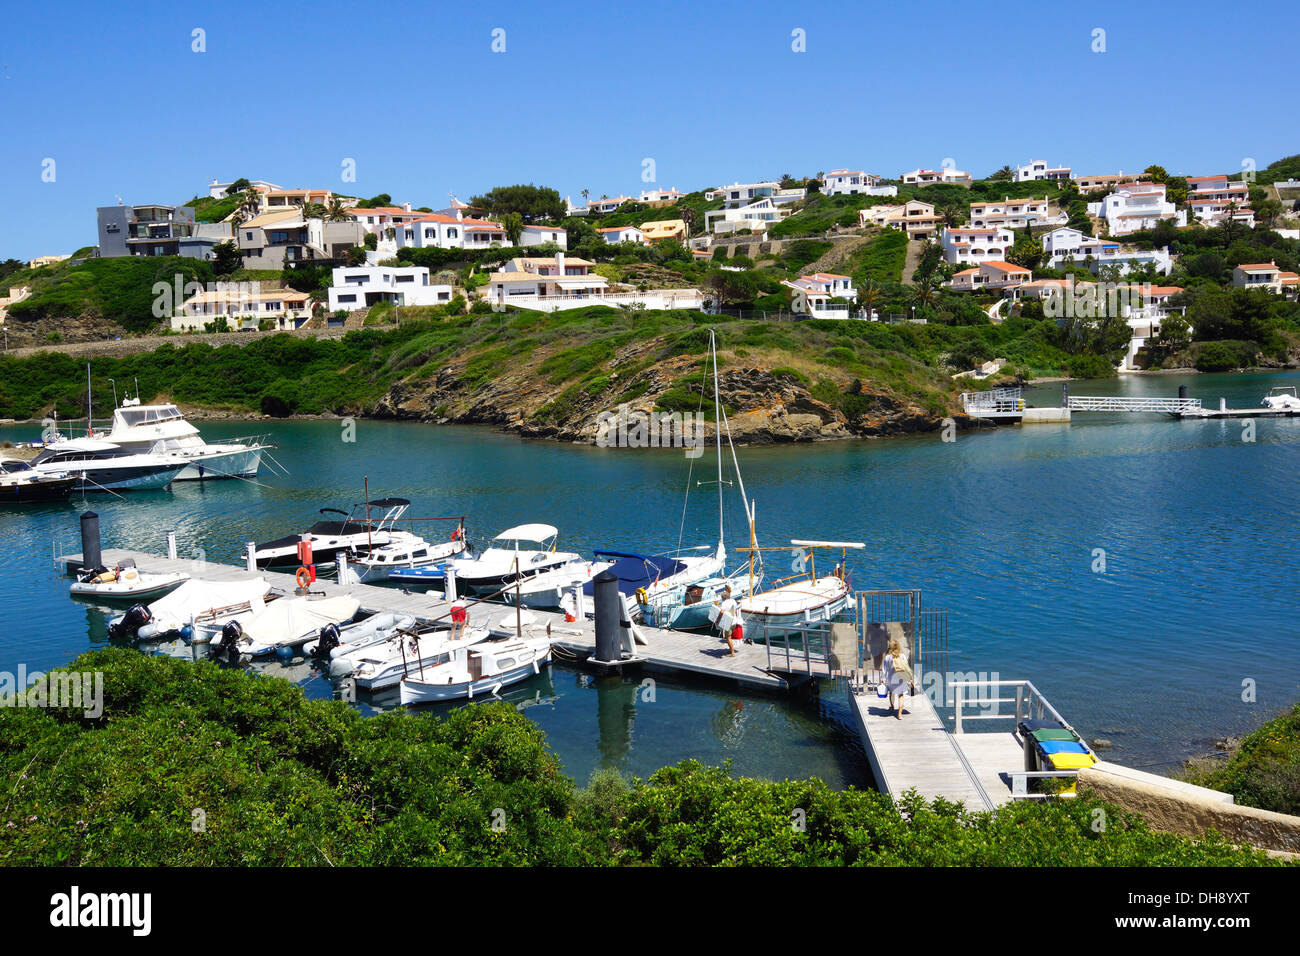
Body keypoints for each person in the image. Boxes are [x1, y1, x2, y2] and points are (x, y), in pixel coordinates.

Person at [882, 637, 913, 720]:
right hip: (901, 679)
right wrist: (909, 679)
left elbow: (884, 670)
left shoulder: (888, 657)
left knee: (892, 693)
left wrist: (883, 679)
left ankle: (892, 707)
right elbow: (906, 667)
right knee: (901, 696)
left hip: (891, 679)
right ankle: (899, 714)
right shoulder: (902, 656)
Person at [716, 585, 743, 656]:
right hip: (734, 621)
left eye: (722, 597)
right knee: (729, 636)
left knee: (728, 638)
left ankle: (732, 653)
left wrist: (718, 620)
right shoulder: (733, 601)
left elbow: (722, 611)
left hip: (729, 622)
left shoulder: (724, 603)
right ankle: (731, 650)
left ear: (723, 598)